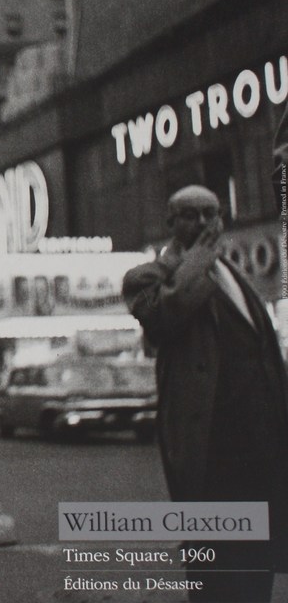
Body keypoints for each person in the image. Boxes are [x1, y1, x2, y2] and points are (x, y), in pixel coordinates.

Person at [122, 185, 288, 603]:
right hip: (213, 450)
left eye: (209, 214)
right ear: (170, 222)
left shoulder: (237, 276)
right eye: (189, 214)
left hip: (263, 448)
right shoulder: (148, 275)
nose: (200, 223)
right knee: (216, 574)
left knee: (258, 567)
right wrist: (196, 261)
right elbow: (163, 317)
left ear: (222, 218)